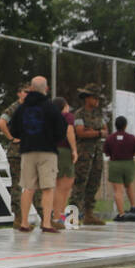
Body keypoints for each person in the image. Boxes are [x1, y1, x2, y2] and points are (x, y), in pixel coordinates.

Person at [11, 76, 67, 233]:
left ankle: (24, 222)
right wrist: (53, 139)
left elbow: (13, 127)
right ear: (46, 88)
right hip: (47, 151)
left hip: (27, 150)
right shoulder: (50, 107)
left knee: (28, 187)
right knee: (48, 187)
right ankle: (47, 223)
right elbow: (61, 129)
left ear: (31, 88)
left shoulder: (22, 108)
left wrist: (23, 137)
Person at [0, 80, 45, 228]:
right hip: (17, 152)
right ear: (19, 93)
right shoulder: (15, 107)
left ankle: (44, 217)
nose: (27, 94)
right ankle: (18, 218)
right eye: (25, 92)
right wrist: (11, 138)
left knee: (35, 185)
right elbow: (1, 123)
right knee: (18, 185)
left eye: (30, 92)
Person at [71, 83, 109, 225]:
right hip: (83, 154)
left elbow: (106, 130)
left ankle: (88, 214)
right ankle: (72, 217)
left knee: (94, 183)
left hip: (97, 154)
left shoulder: (99, 114)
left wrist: (91, 131)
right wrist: (97, 132)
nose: (97, 101)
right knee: (79, 184)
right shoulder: (79, 114)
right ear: (87, 98)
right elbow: (80, 132)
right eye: (94, 98)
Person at [49, 96, 78, 225]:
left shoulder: (49, 118)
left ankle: (56, 215)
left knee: (55, 185)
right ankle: (58, 216)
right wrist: (74, 150)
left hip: (51, 150)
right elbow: (69, 131)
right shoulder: (67, 117)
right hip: (64, 151)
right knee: (64, 185)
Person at [103, 115, 135, 216]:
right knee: (129, 186)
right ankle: (133, 207)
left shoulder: (110, 138)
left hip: (115, 164)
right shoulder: (132, 138)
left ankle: (121, 213)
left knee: (118, 190)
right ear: (125, 125)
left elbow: (106, 153)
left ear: (115, 125)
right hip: (128, 163)